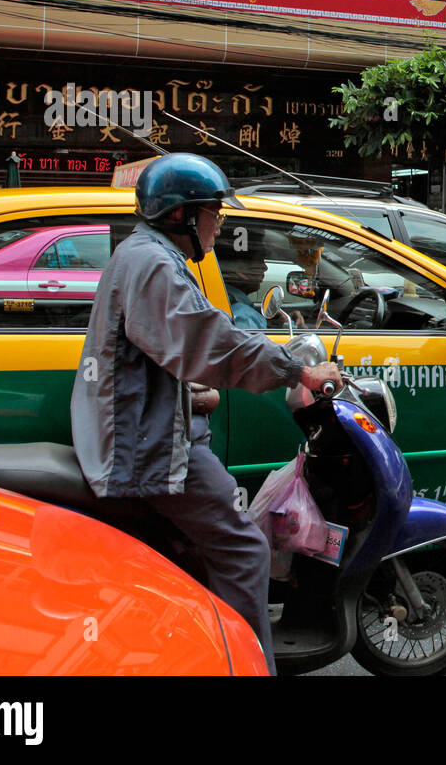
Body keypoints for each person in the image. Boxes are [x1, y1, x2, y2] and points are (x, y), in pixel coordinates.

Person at [70, 153, 341, 675]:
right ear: (182, 216)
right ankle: (246, 665)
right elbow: (208, 341)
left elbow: (161, 350)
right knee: (244, 551)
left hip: (137, 426)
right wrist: (297, 370)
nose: (221, 222)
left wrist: (191, 394)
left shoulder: (144, 254)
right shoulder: (153, 263)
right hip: (145, 447)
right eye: (214, 211)